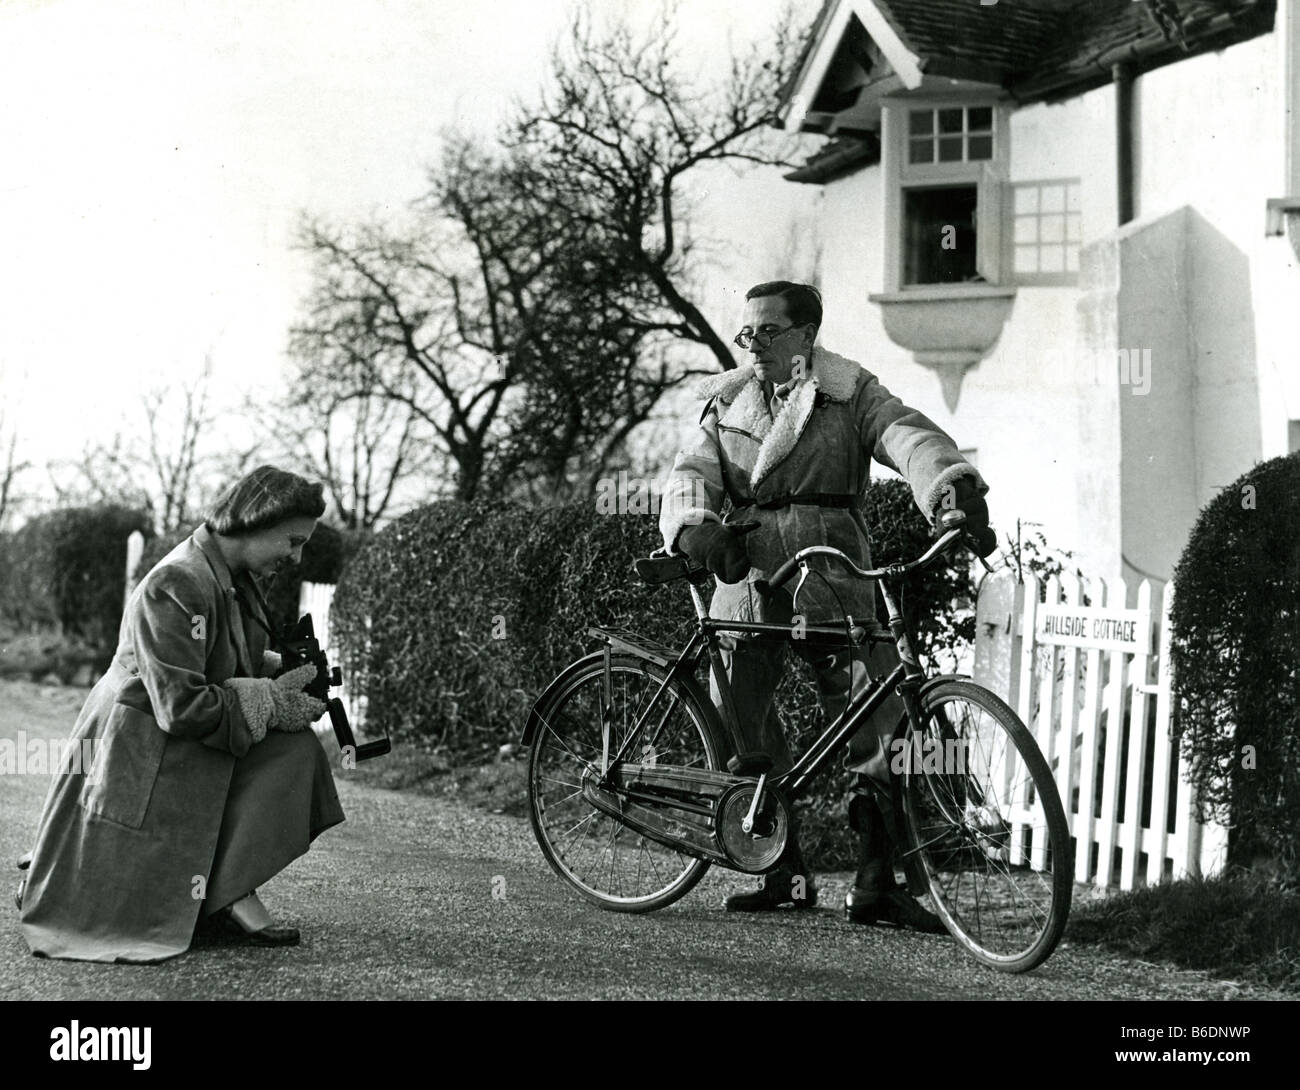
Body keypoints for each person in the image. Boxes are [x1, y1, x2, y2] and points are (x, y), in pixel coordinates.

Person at [659, 281, 994, 931]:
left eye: (768, 332)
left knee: (879, 723)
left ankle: (877, 882)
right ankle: (779, 867)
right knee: (737, 717)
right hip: (749, 573)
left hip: (832, 572)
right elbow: (689, 472)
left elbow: (905, 435)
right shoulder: (727, 400)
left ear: (807, 335)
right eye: (746, 334)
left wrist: (948, 489)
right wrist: (699, 528)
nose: (753, 346)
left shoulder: (847, 391)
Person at [16, 465, 345, 961]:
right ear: (255, 521)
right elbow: (181, 704)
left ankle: (222, 893)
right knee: (285, 755)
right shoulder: (177, 581)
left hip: (174, 738)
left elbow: (224, 657)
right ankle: (66, 881)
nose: (295, 557)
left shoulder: (234, 578)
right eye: (292, 541)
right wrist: (268, 700)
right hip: (141, 745)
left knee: (295, 754)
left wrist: (280, 670)